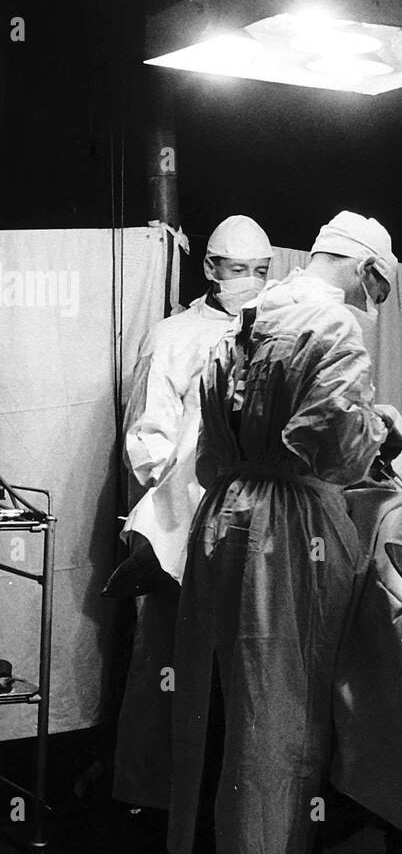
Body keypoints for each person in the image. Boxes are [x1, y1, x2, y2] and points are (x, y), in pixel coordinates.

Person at [159, 210, 402, 854]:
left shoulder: (248, 317)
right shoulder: (333, 326)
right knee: (278, 726)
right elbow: (335, 446)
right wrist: (383, 440)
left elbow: (208, 452)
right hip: (288, 534)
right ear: (367, 274)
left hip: (223, 519)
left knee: (216, 719)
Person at [111, 215, 272, 815]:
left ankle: (227, 810)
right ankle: (150, 807)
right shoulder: (175, 336)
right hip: (183, 523)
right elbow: (148, 439)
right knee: (165, 662)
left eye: (261, 271)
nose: (250, 282)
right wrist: (185, 505)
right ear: (209, 269)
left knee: (242, 670)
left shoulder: (280, 331)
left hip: (252, 525)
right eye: (238, 271)